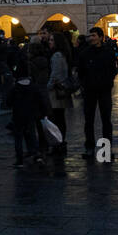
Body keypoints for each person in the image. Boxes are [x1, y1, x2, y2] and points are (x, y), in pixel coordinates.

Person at [77, 27, 117, 161]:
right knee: (89, 121)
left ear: (101, 37)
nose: (91, 38)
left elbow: (113, 69)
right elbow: (80, 72)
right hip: (89, 90)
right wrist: (85, 84)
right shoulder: (85, 53)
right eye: (90, 36)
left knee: (106, 120)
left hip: (104, 90)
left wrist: (108, 81)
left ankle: (106, 149)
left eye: (94, 35)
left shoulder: (109, 52)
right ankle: (89, 148)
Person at [7, 53, 45, 168]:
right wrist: (43, 113)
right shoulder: (33, 87)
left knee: (18, 137)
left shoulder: (15, 88)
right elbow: (40, 101)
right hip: (31, 115)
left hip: (18, 115)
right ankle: (36, 154)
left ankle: (19, 159)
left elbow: (8, 102)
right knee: (32, 134)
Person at [46, 31, 76, 161]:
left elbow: (55, 75)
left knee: (56, 120)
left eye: (52, 40)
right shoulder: (63, 54)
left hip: (56, 92)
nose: (49, 42)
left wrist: (47, 87)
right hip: (61, 91)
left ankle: (58, 144)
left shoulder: (57, 55)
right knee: (60, 119)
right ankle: (60, 143)